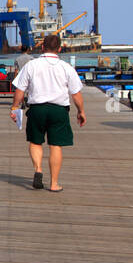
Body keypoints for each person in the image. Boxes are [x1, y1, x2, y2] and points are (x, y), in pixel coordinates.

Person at [9, 34, 86, 192]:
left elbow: (20, 90)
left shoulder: (32, 65)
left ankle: (38, 169)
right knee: (55, 145)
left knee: (36, 142)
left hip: (37, 109)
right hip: (59, 110)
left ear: (42, 47)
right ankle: (54, 183)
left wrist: (15, 107)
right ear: (59, 49)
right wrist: (81, 111)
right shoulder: (66, 67)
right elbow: (76, 94)